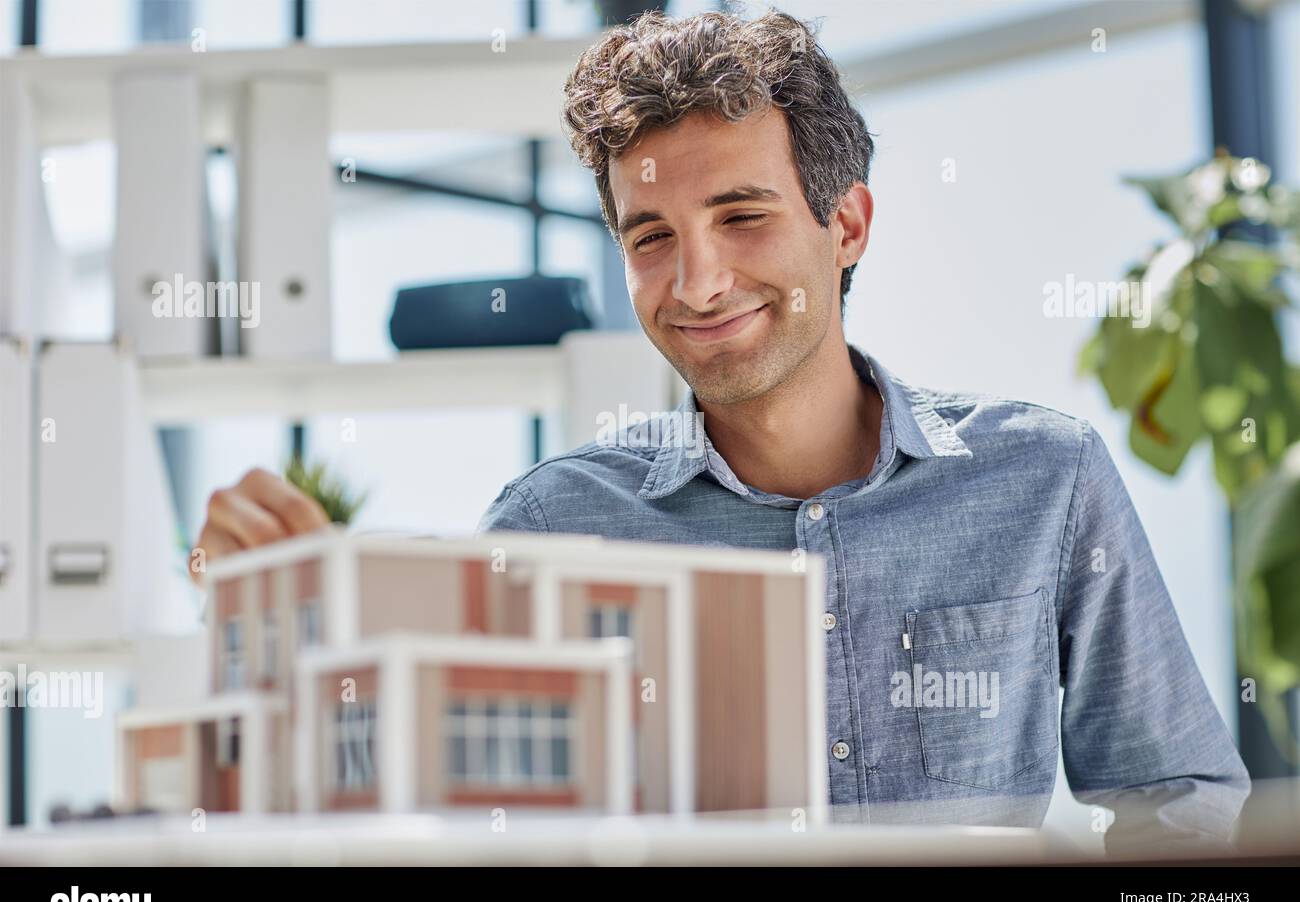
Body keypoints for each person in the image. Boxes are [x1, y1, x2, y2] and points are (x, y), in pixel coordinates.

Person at [190, 9, 1249, 853]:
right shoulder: (554, 520)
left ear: (846, 224)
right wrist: (289, 633)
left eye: (741, 216)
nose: (695, 282)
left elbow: (1181, 805)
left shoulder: (1042, 477)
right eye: (651, 236)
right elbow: (430, 809)